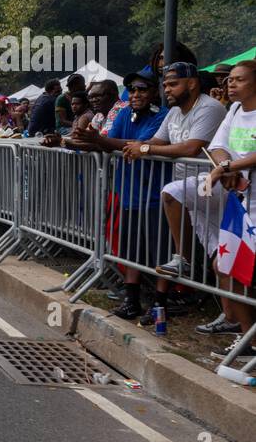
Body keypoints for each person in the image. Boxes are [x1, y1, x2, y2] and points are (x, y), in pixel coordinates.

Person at [133, 63, 227, 313]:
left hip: (212, 187)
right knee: (220, 258)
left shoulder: (209, 107)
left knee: (171, 191)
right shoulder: (173, 112)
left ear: (192, 83)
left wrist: (143, 149)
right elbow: (154, 142)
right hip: (192, 195)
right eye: (164, 85)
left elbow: (190, 148)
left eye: (173, 84)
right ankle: (231, 318)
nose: (167, 90)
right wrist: (116, 144)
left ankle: (182, 260)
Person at [78, 69, 168, 320]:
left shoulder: (161, 116)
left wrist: (97, 139)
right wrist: (75, 141)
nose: (136, 94)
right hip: (127, 192)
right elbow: (107, 142)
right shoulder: (125, 113)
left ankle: (160, 305)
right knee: (130, 251)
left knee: (159, 253)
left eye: (142, 89)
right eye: (133, 90)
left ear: (153, 92)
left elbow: (136, 145)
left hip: (153, 193)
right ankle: (131, 301)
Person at [200, 60, 256, 360]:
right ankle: (249, 338)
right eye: (229, 80)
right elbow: (217, 147)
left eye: (239, 80)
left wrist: (230, 166)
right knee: (226, 265)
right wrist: (225, 165)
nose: (230, 85)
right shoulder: (233, 111)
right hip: (241, 204)